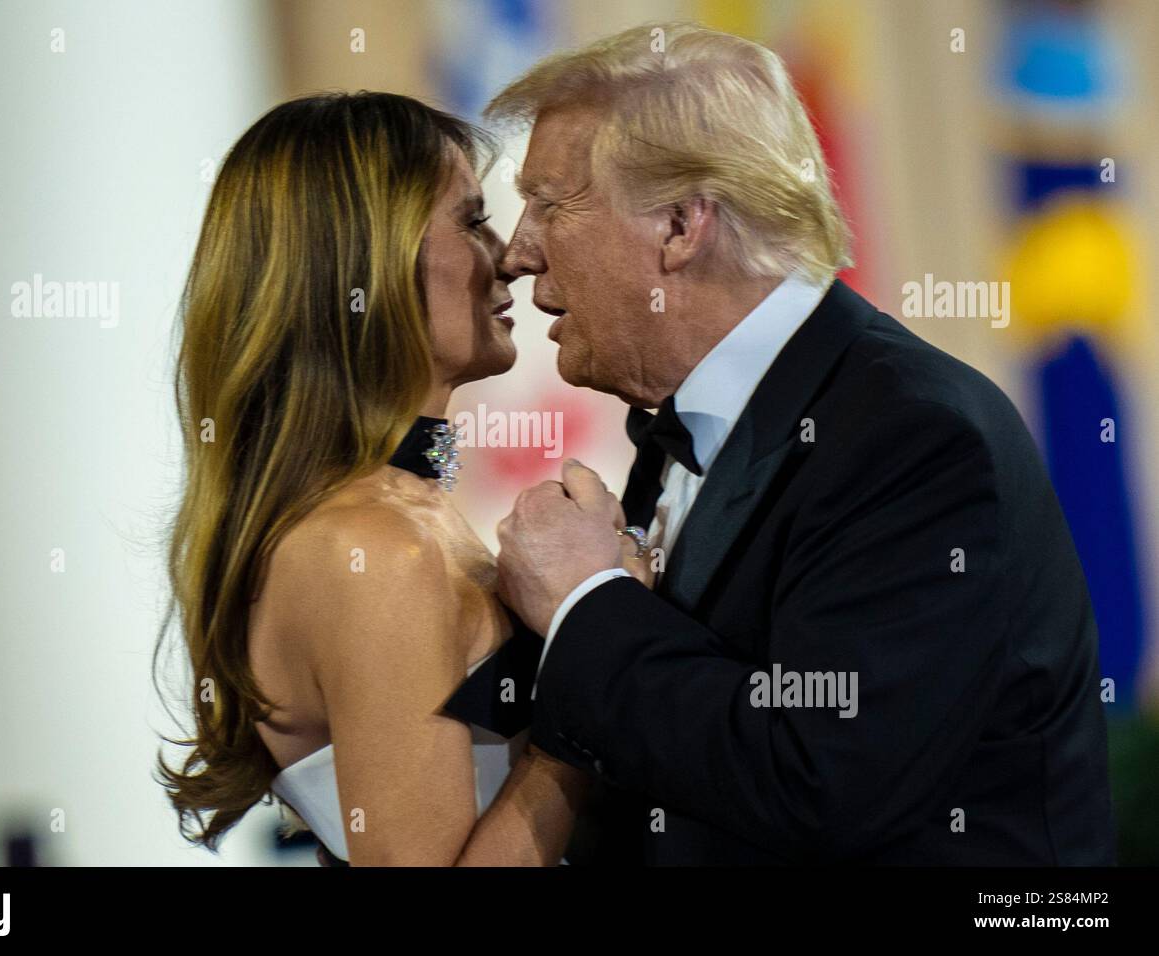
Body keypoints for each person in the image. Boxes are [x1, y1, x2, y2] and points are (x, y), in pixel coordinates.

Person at [478, 23, 1116, 864]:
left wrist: (585, 602)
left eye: (550, 204)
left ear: (679, 224)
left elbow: (822, 774)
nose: (518, 253)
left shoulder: (914, 436)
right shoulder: (689, 420)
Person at [156, 92, 605, 865]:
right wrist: (592, 694)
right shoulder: (369, 549)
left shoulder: (401, 513)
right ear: (364, 260)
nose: (506, 255)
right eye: (469, 221)